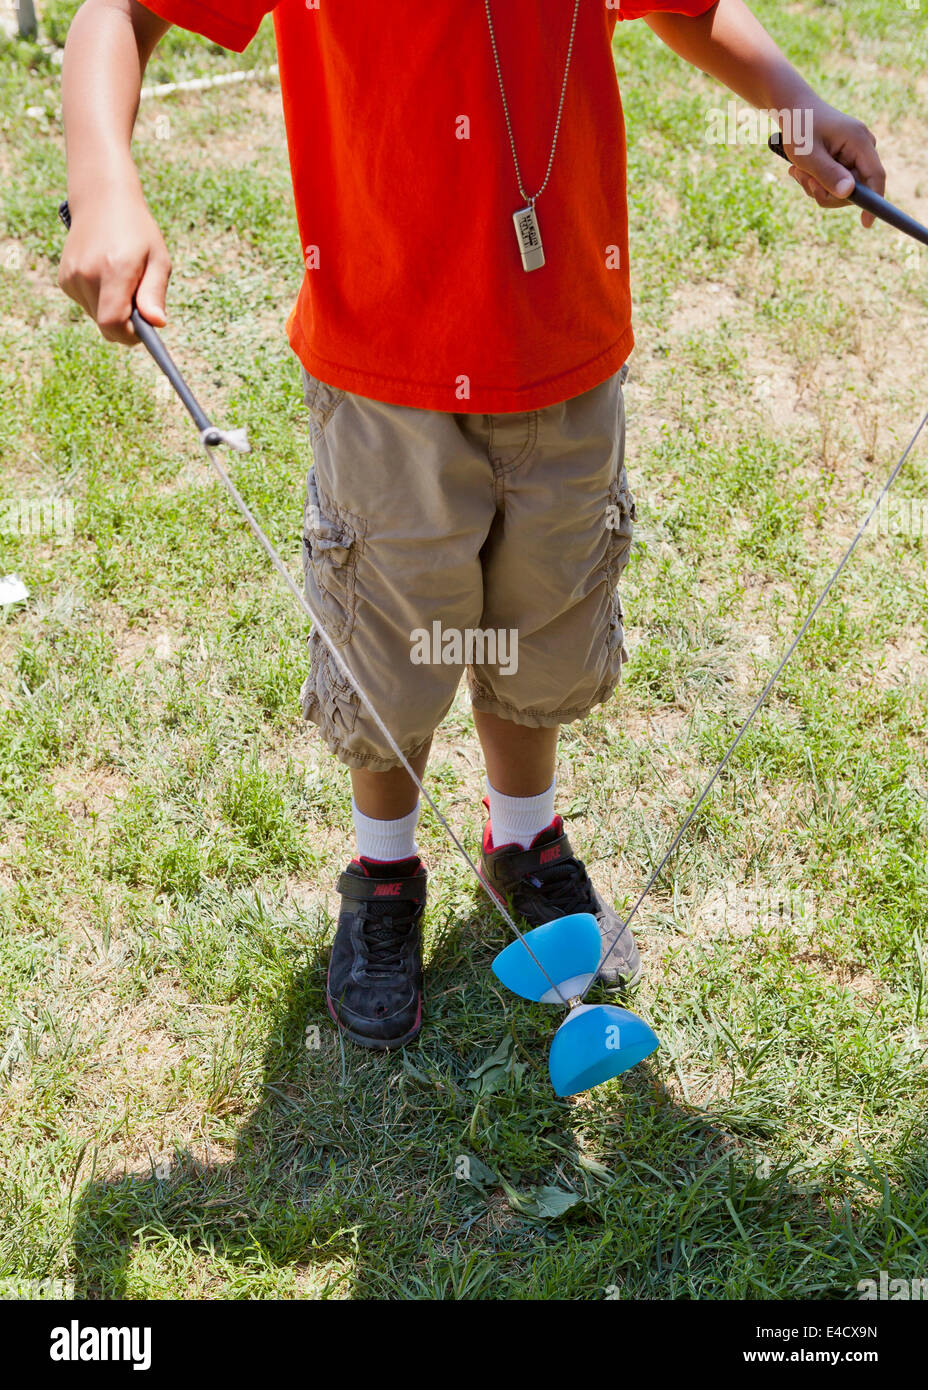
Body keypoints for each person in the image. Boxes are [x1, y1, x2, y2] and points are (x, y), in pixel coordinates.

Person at [58, 0, 886, 1051]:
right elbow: (121, 15)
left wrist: (794, 108)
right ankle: (385, 864)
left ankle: (525, 837)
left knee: (541, 616)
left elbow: (687, 7)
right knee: (393, 636)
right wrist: (104, 184)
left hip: (564, 348)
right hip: (385, 367)